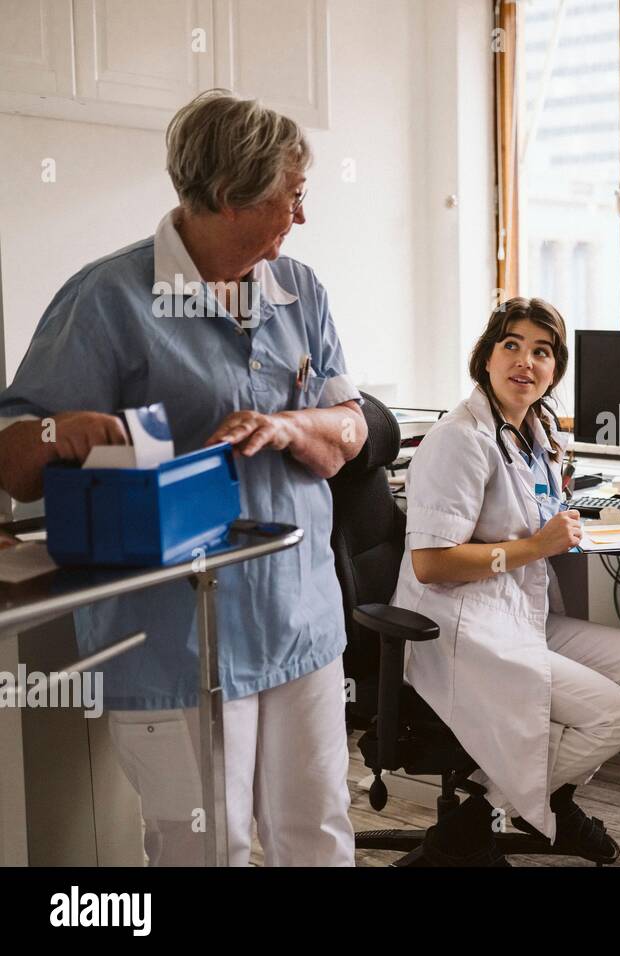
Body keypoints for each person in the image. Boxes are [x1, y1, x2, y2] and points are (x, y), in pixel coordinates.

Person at [0, 89, 365, 866]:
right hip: (175, 638)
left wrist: (291, 426)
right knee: (206, 848)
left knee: (319, 832)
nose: (301, 216)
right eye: (290, 196)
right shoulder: (107, 299)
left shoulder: (300, 290)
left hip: (299, 620)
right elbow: (15, 463)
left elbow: (348, 435)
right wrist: (60, 433)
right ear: (231, 196)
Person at [391, 297, 620, 866]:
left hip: (512, 613)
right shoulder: (458, 440)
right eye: (510, 344)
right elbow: (431, 564)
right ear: (485, 357)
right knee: (615, 715)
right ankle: (480, 823)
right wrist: (537, 547)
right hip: (456, 628)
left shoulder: (532, 435)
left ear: (555, 370)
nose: (525, 361)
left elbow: (532, 517)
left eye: (542, 351)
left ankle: (527, 801)